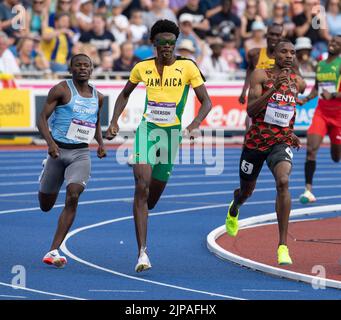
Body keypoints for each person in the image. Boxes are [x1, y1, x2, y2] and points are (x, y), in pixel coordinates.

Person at [105, 19, 212, 272]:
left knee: (151, 198)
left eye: (171, 43)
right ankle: (142, 253)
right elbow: (124, 94)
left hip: (171, 135)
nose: (166, 47)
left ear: (175, 44)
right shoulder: (142, 67)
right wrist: (113, 121)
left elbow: (206, 101)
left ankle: (143, 209)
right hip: (147, 130)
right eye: (161, 43)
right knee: (141, 185)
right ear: (154, 44)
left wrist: (195, 124)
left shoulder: (187, 67)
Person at [225, 39, 306, 265]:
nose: (288, 56)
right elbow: (251, 110)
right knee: (246, 191)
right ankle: (236, 205)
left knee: (283, 181)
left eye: (292, 52)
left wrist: (290, 133)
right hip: (255, 142)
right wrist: (272, 90)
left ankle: (282, 246)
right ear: (275, 55)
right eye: (284, 52)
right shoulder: (261, 75)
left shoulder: (297, 82)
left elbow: (288, 112)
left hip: (280, 142)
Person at [37, 54, 106, 268]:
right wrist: (50, 144)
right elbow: (41, 118)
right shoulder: (61, 89)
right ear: (71, 68)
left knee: (73, 194)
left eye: (87, 65)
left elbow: (93, 123)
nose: (83, 68)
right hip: (57, 152)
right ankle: (44, 173)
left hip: (80, 154)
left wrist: (101, 143)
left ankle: (53, 249)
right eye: (79, 65)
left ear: (92, 69)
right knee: (46, 206)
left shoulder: (99, 96)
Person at [298, 35, 341, 204]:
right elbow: (317, 88)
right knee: (311, 149)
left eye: (337, 43)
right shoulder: (321, 65)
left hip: (338, 116)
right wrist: (306, 99)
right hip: (321, 113)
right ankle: (308, 190)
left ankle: (335, 145)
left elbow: (332, 92)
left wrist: (335, 95)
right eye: (332, 41)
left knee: (336, 156)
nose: (333, 44)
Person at [239, 23, 284, 105]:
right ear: (266, 35)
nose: (274, 37)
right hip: (256, 103)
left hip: (276, 103)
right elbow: (250, 71)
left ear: (281, 37)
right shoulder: (255, 54)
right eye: (272, 34)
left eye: (277, 35)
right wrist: (244, 91)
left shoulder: (286, 58)